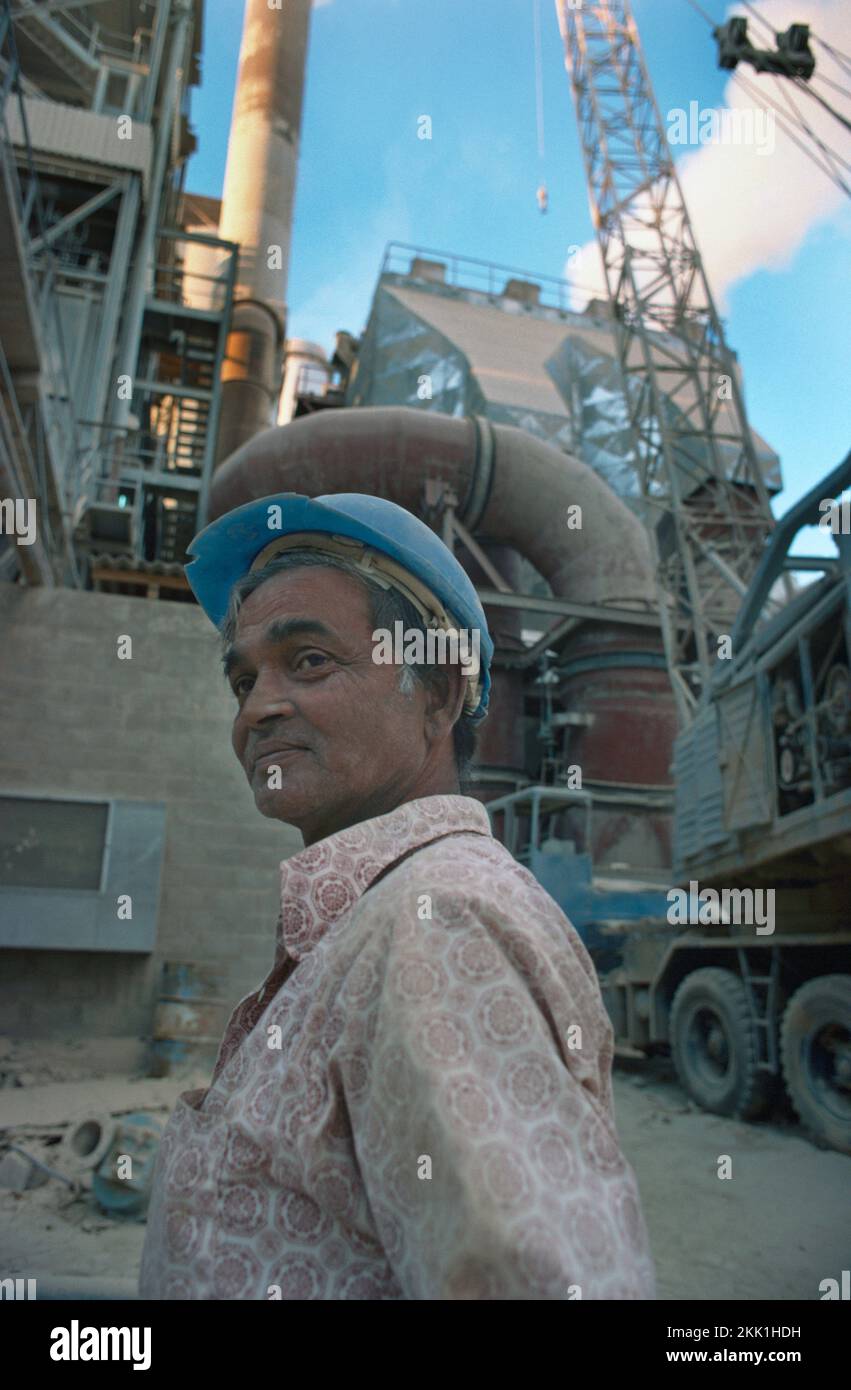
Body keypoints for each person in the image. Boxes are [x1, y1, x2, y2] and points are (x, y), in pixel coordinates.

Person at [138, 490, 656, 1300]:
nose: (257, 710)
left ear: (440, 697)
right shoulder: (375, 917)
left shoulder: (439, 922)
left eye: (309, 660)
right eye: (242, 681)